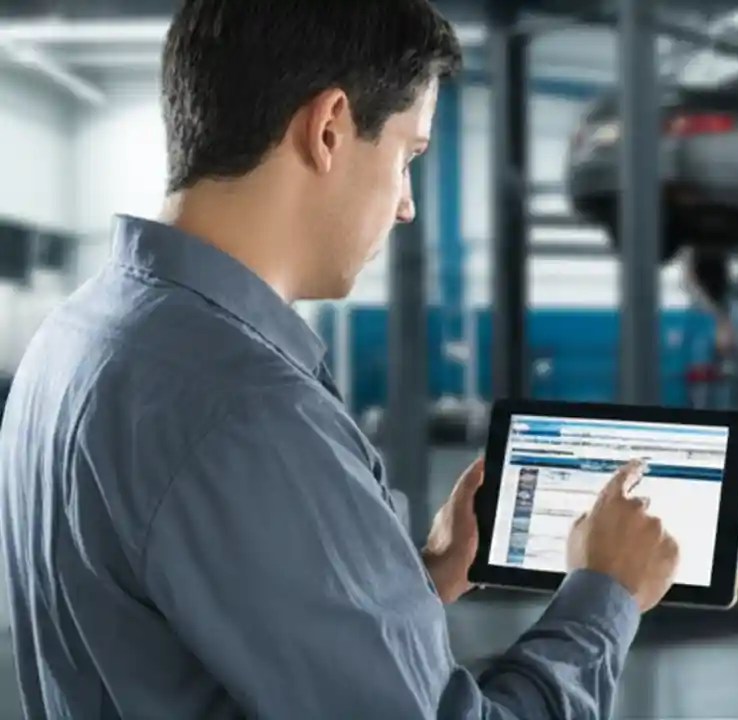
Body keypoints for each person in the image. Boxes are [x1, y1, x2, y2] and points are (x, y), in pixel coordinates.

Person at [0, 1, 679, 718]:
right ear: (328, 130)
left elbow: (192, 633)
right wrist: (606, 594)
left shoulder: (79, 335)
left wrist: (423, 576)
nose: (407, 204)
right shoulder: (247, 410)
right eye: (407, 155)